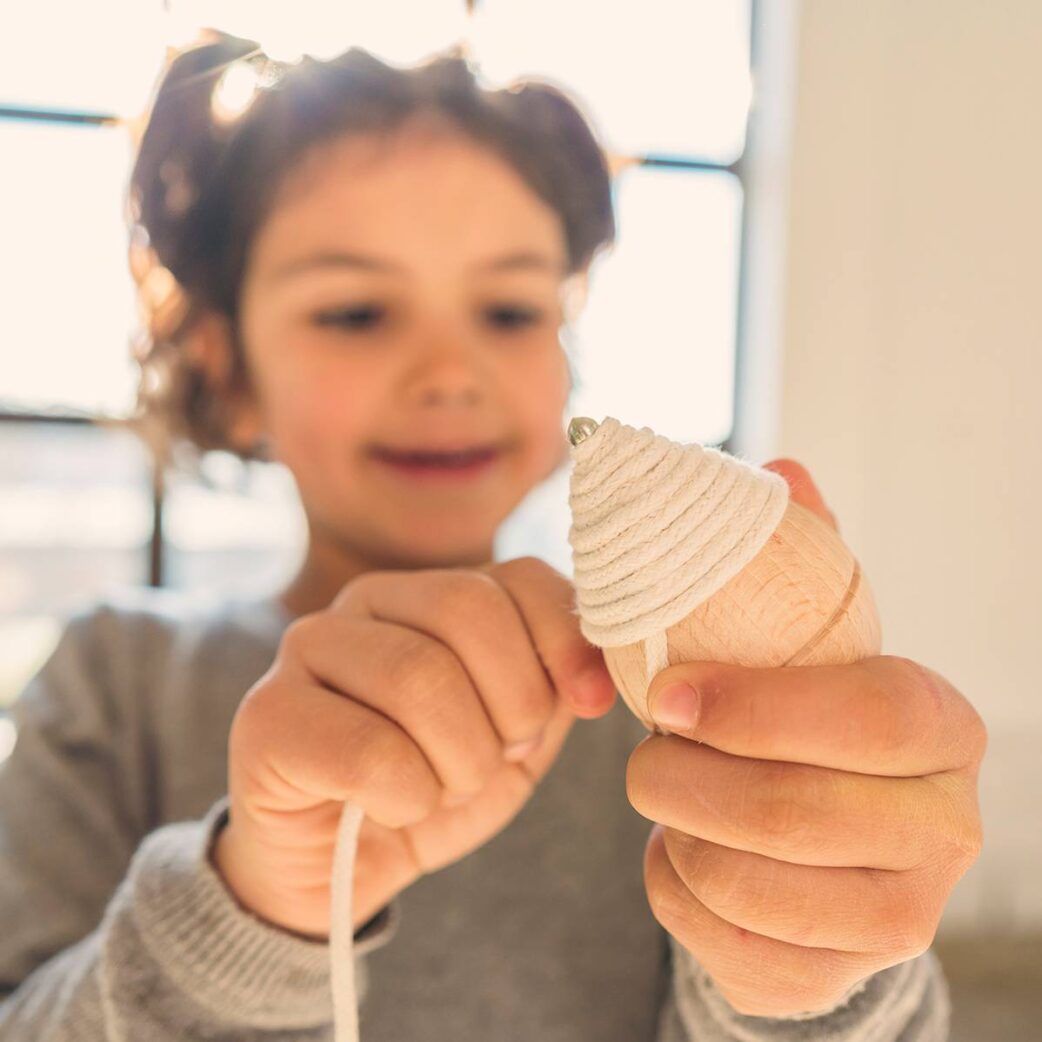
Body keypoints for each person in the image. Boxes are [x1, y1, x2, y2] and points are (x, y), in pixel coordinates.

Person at [0, 28, 980, 1041]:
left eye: (510, 311)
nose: (450, 372)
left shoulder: (681, 704)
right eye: (355, 312)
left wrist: (814, 962)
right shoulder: (117, 681)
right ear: (228, 364)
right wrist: (252, 906)